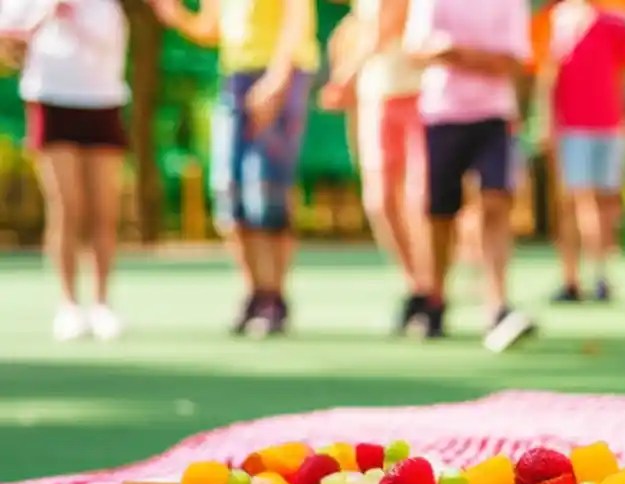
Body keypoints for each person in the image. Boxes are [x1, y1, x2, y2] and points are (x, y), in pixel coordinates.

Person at [148, 0, 319, 337]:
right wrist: (176, 16)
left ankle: (274, 295)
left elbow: (296, 18)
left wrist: (277, 77)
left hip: (278, 73)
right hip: (235, 77)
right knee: (229, 188)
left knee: (267, 186)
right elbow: (212, 30)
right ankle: (255, 292)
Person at [403, 0, 535, 351]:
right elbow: (417, 47)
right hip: (443, 115)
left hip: (494, 116)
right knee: (440, 212)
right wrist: (477, 58)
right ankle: (435, 299)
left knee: (496, 201)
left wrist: (457, 53)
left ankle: (497, 304)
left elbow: (511, 60)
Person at [0, 0, 129, 341]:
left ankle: (102, 304)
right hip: (51, 101)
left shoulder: (106, 7)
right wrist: (33, 25)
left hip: (103, 102)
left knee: (103, 208)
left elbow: (109, 44)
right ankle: (68, 304)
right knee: (66, 206)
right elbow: (7, 47)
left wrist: (72, 16)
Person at [320, 0, 430, 334]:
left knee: (419, 198)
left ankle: (431, 289)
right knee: (379, 199)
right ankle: (416, 287)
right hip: (376, 97)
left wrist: (345, 75)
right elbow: (359, 25)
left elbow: (389, 22)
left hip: (420, 93)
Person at [541, 0, 625, 303]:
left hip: (610, 125)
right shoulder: (557, 19)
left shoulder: (615, 25)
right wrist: (547, 122)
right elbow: (549, 75)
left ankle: (600, 274)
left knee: (604, 202)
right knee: (576, 201)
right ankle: (573, 278)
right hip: (573, 126)